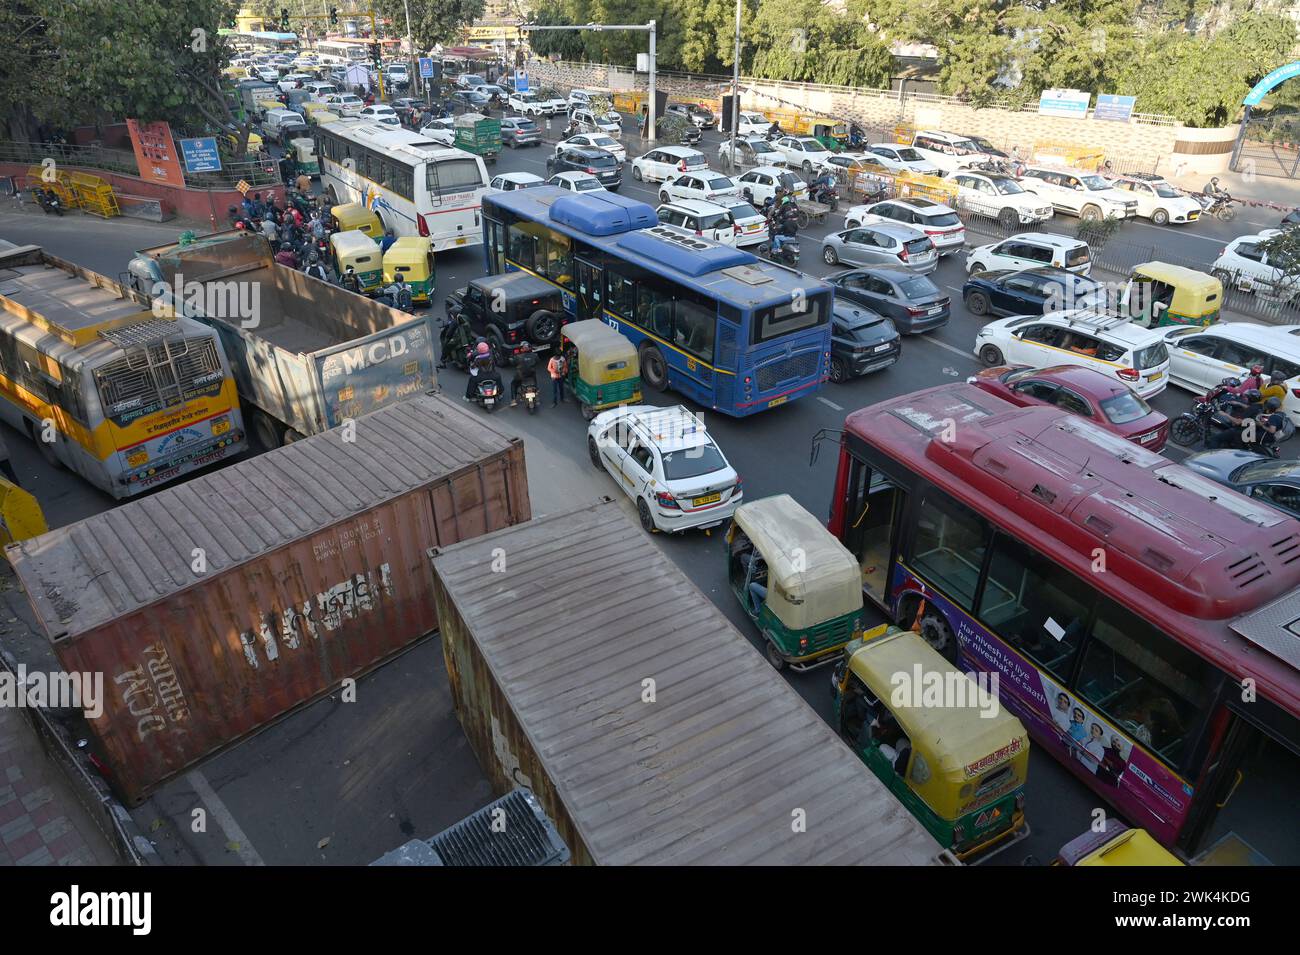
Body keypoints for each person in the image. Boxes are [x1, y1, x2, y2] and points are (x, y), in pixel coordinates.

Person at [509, 341, 539, 407]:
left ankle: (513, 400)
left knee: (513, 384)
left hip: (521, 376)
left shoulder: (518, 357)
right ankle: (536, 391)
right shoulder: (535, 355)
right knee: (534, 377)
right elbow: (537, 362)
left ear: (522, 349)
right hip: (531, 375)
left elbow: (513, 363)